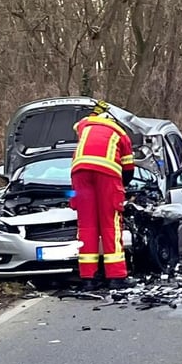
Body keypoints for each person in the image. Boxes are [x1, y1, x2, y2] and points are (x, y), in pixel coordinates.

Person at [71, 101, 135, 290]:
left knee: (87, 226)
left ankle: (88, 278)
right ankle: (116, 277)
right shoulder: (121, 134)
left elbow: (77, 127)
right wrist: (122, 189)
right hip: (107, 176)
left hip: (79, 173)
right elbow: (129, 169)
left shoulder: (85, 125)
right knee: (110, 225)